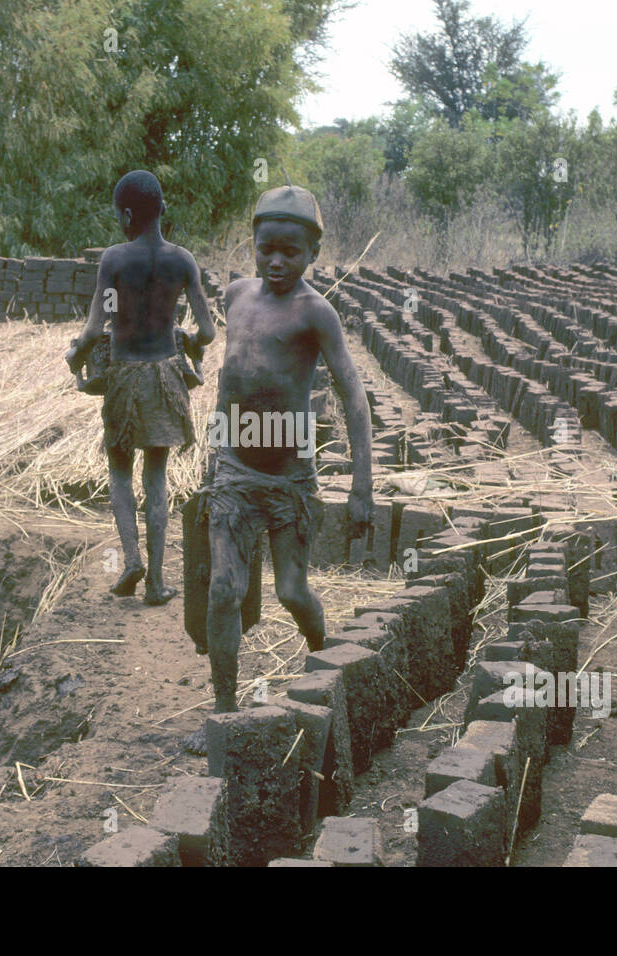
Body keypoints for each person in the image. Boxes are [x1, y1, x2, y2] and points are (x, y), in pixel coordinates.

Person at [199, 184, 373, 725]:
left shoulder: (315, 313)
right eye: (266, 247)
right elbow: (230, 379)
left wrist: (363, 484)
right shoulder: (234, 297)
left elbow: (353, 392)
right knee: (225, 589)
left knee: (293, 591)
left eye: (291, 252)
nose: (276, 261)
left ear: (314, 254)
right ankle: (224, 709)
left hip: (289, 476)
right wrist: (213, 456)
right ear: (251, 242)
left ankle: (323, 657)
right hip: (233, 467)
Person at [66, 170, 216, 605]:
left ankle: (131, 558)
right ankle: (156, 582)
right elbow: (206, 330)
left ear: (127, 214)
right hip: (166, 377)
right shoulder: (183, 261)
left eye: (118, 214)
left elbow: (95, 330)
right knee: (156, 477)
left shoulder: (114, 259)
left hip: (124, 376)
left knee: (118, 470)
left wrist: (75, 357)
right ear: (162, 209)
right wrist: (188, 341)